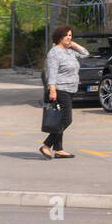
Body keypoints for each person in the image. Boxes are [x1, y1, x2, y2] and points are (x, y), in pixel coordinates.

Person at [41, 25, 88, 159]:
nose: (69, 37)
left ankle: (59, 149)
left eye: (70, 35)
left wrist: (72, 44)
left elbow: (85, 54)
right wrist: (52, 90)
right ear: (59, 37)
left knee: (60, 119)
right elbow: (52, 73)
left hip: (71, 89)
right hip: (61, 89)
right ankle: (46, 145)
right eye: (66, 35)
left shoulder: (69, 51)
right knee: (66, 119)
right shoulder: (54, 52)